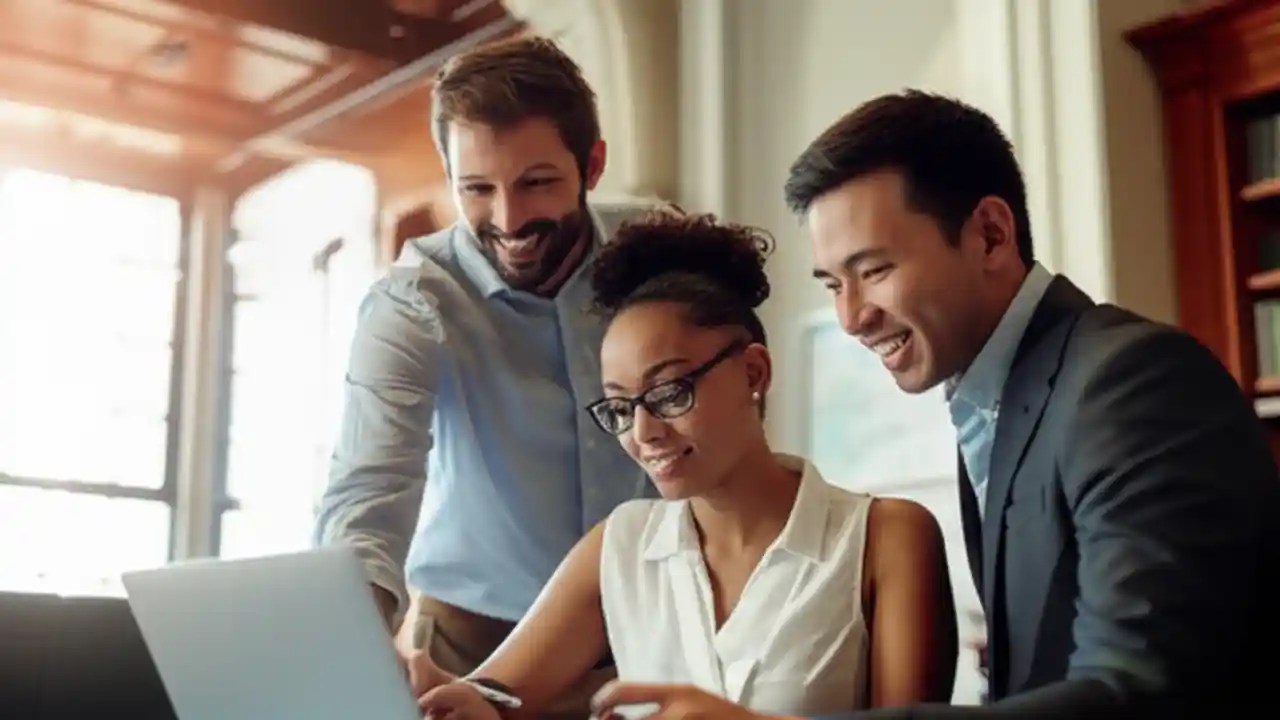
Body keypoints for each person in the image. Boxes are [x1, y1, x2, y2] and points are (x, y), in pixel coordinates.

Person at [710, 89, 1275, 719]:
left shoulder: (1131, 384)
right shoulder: (991, 398)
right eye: (833, 284)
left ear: (990, 234)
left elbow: (1137, 692)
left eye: (873, 270)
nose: (851, 318)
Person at [417, 212, 959, 720]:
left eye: (670, 392)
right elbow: (491, 697)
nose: (644, 432)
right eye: (620, 408)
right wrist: (441, 693)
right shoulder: (623, 545)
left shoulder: (883, 538)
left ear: (753, 372)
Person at [312, 35, 661, 718]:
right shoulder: (411, 304)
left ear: (592, 163)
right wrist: (356, 631)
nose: (508, 221)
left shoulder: (658, 254)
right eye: (476, 188)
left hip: (650, 632)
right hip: (472, 642)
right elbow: (370, 488)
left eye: (536, 183)